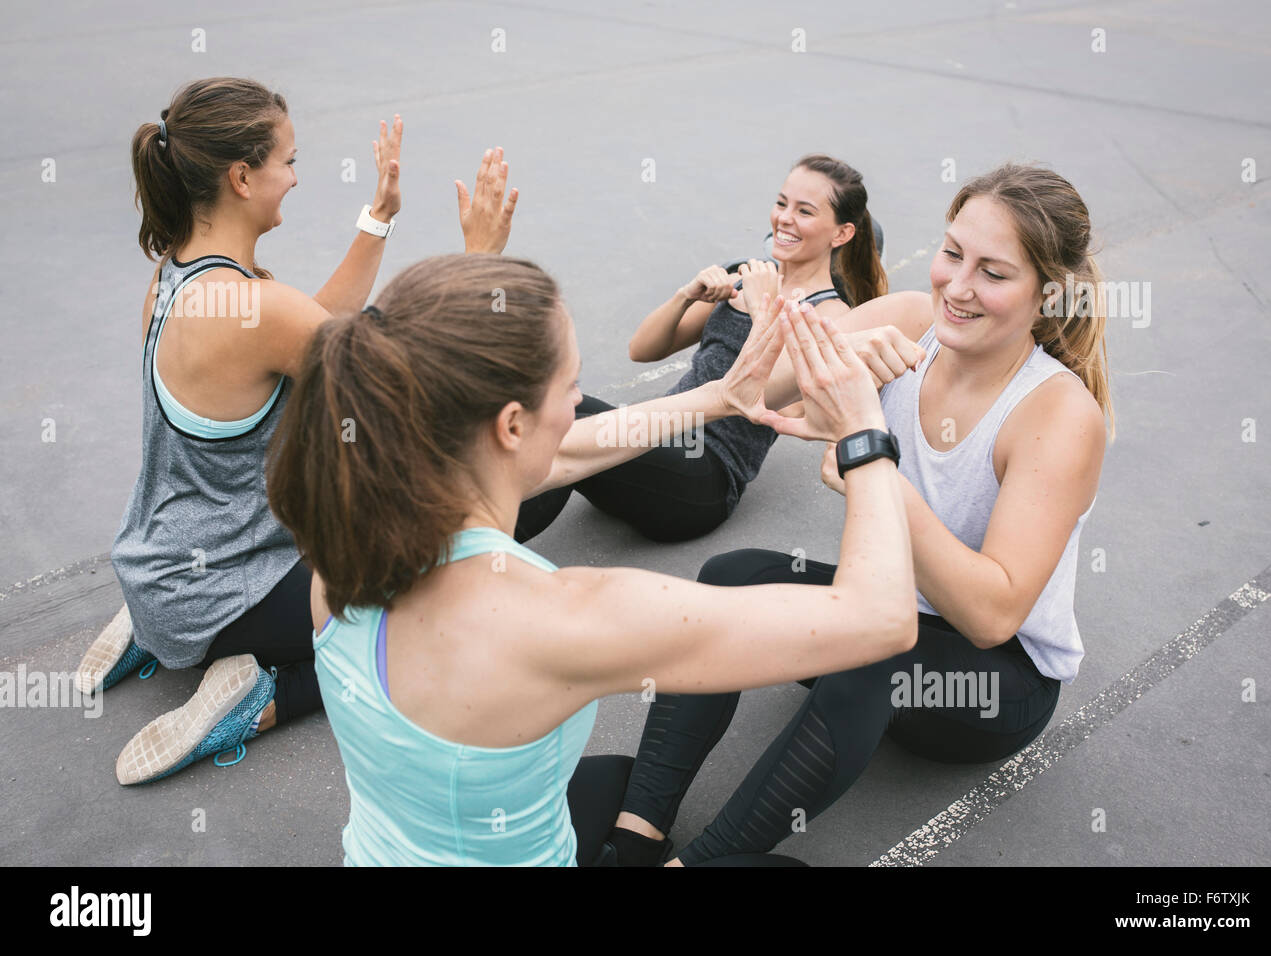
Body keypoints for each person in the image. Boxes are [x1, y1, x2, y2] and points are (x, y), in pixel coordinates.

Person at [264, 252, 921, 865]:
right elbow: (880, 618)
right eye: (571, 384)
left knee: (616, 780)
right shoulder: (564, 617)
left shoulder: (350, 541)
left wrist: (724, 395)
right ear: (512, 426)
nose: (581, 401)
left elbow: (577, 447)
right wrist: (866, 434)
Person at [607, 162, 1113, 866]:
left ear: (1046, 295)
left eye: (994, 274)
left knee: (874, 654)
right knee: (730, 575)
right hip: (889, 614)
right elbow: (757, 399)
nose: (957, 287)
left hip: (998, 679)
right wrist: (829, 361)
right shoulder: (908, 319)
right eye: (951, 252)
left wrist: (866, 450)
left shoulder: (1057, 415)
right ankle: (635, 834)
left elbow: (992, 615)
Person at [75, 76, 519, 786]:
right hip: (224, 594)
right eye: (287, 160)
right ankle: (263, 696)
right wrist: (480, 264)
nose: (295, 177)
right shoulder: (255, 307)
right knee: (460, 559)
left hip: (159, 565)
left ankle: (151, 627)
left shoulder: (175, 278)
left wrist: (378, 217)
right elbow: (394, 378)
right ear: (243, 176)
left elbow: (312, 336)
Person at [513, 154, 887, 544]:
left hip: (704, 478)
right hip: (659, 435)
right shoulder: (745, 275)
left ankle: (478, 549)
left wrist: (764, 311)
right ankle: (482, 539)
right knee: (560, 416)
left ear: (841, 234)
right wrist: (686, 297)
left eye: (805, 211)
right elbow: (641, 350)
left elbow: (769, 401)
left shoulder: (832, 316)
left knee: (569, 416)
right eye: (781, 203)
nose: (785, 218)